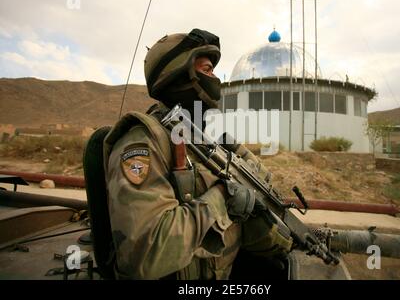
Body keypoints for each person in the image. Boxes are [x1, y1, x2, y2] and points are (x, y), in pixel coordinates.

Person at [103, 29, 292, 280]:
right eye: (206, 70)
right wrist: (223, 196)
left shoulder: (206, 138)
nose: (215, 79)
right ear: (180, 75)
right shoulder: (143, 143)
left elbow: (263, 183)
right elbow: (145, 255)